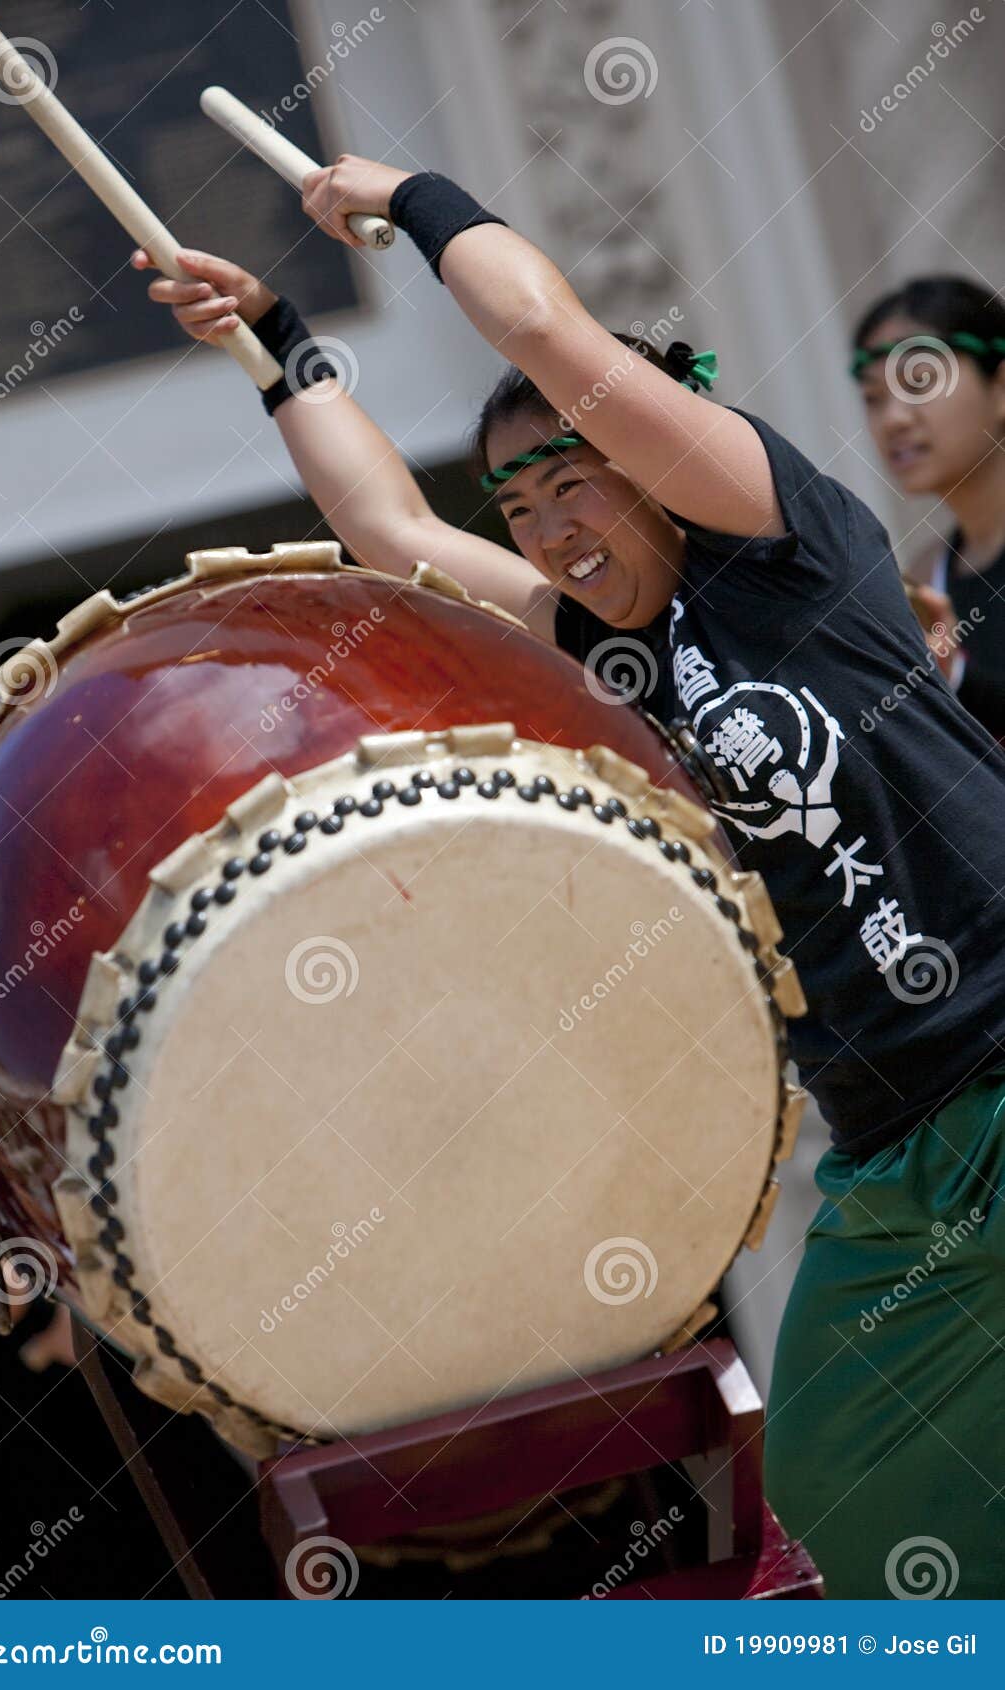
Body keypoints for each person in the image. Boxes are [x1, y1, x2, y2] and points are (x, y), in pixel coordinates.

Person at [135, 159, 1005, 1597]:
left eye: (566, 482)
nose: (540, 529)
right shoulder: (607, 652)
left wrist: (414, 196)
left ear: (649, 465)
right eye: (516, 505)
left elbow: (544, 334)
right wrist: (278, 336)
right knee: (853, 1497)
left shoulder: (781, 552)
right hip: (892, 1147)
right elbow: (395, 539)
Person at [853, 277, 1005, 740]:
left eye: (919, 381)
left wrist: (956, 676)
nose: (894, 419)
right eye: (874, 399)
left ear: (1000, 386)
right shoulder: (924, 582)